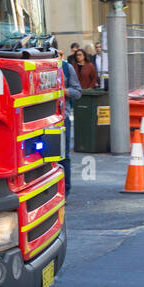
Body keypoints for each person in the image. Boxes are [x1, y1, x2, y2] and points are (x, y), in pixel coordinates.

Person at [59, 49, 82, 195]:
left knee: (63, 155)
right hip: (43, 120)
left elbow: (77, 91)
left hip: (63, 117)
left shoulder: (67, 68)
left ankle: (65, 190)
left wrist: (64, 92)